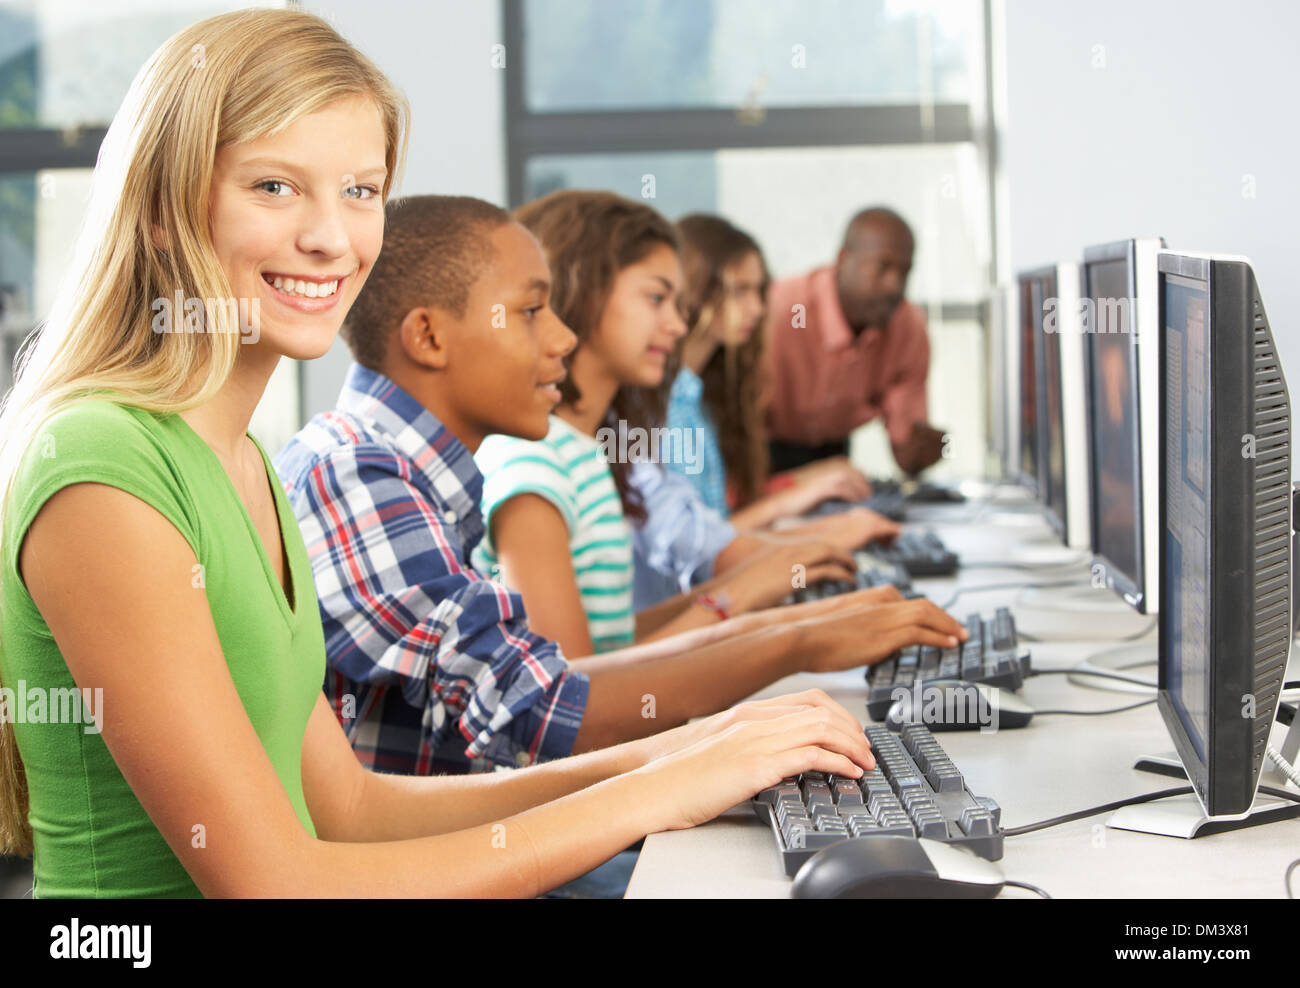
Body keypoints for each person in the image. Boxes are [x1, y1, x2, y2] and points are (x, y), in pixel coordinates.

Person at [0, 10, 880, 898]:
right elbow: (276, 884)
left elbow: (349, 810)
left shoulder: (244, 464)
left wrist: (688, 750)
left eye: (360, 191)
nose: (331, 238)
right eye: (273, 187)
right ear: (164, 210)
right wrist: (661, 789)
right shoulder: (104, 465)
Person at [276, 194, 968, 777]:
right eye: (529, 312)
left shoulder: (425, 480)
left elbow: (560, 667)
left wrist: (797, 623)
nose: (562, 339)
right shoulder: (362, 476)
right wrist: (793, 643)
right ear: (428, 336)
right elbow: (545, 709)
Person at [473, 190, 965, 664]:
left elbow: (615, 641)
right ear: (585, 295)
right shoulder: (534, 459)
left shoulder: (592, 449)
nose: (678, 324)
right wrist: (769, 621)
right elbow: (571, 702)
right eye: (656, 299)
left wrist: (792, 614)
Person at [667, 213, 884, 530]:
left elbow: (724, 508)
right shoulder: (668, 405)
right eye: (739, 291)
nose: (757, 308)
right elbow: (700, 544)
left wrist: (803, 480)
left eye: (758, 291)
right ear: (696, 289)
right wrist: (792, 502)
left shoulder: (699, 394)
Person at [764, 206, 948, 477]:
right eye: (882, 268)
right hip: (760, 450)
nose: (894, 286)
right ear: (842, 259)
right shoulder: (791, 310)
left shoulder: (907, 327)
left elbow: (906, 451)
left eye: (905, 272)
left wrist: (926, 450)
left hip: (833, 454)